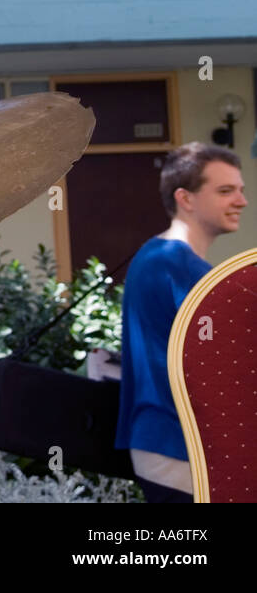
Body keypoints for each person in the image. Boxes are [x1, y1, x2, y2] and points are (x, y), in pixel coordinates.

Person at [115, 142, 247, 502]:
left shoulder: (155, 254)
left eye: (241, 190)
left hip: (165, 446)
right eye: (225, 191)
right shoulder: (180, 267)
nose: (241, 201)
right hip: (183, 452)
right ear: (186, 199)